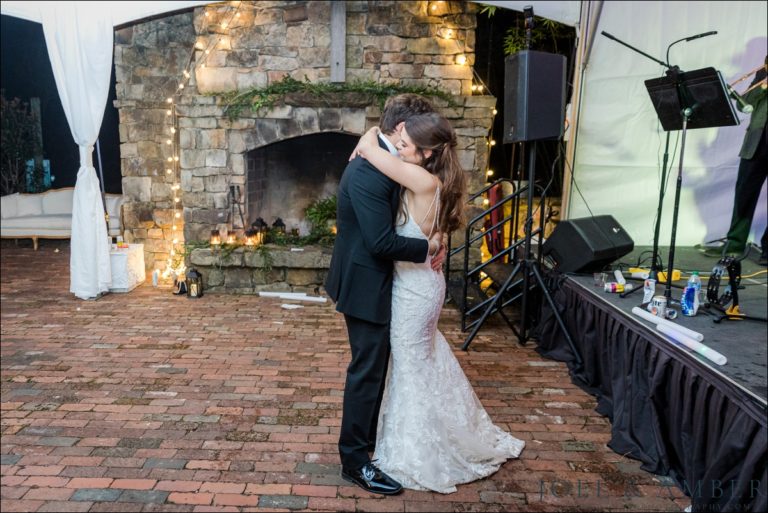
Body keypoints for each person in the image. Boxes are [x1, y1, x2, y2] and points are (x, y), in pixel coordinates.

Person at [348, 113, 525, 494]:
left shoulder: (422, 179)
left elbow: (372, 151)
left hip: (415, 289)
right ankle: (414, 437)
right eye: (399, 142)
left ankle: (419, 451)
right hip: (418, 283)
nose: (398, 149)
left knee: (411, 364)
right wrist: (435, 242)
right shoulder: (430, 178)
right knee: (417, 362)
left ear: (427, 152)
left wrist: (368, 136)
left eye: (406, 145)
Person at [324, 94, 445, 496]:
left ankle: (372, 446)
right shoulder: (368, 171)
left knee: (375, 369)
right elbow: (380, 243)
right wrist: (428, 247)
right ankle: (355, 462)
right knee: (367, 372)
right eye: (419, 138)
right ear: (402, 129)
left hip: (380, 281)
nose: (425, 151)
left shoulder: (381, 156)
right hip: (365, 285)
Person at [707, 56, 767, 265]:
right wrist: (763, 85)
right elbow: (744, 105)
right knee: (744, 195)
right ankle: (734, 246)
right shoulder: (763, 72)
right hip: (756, 143)